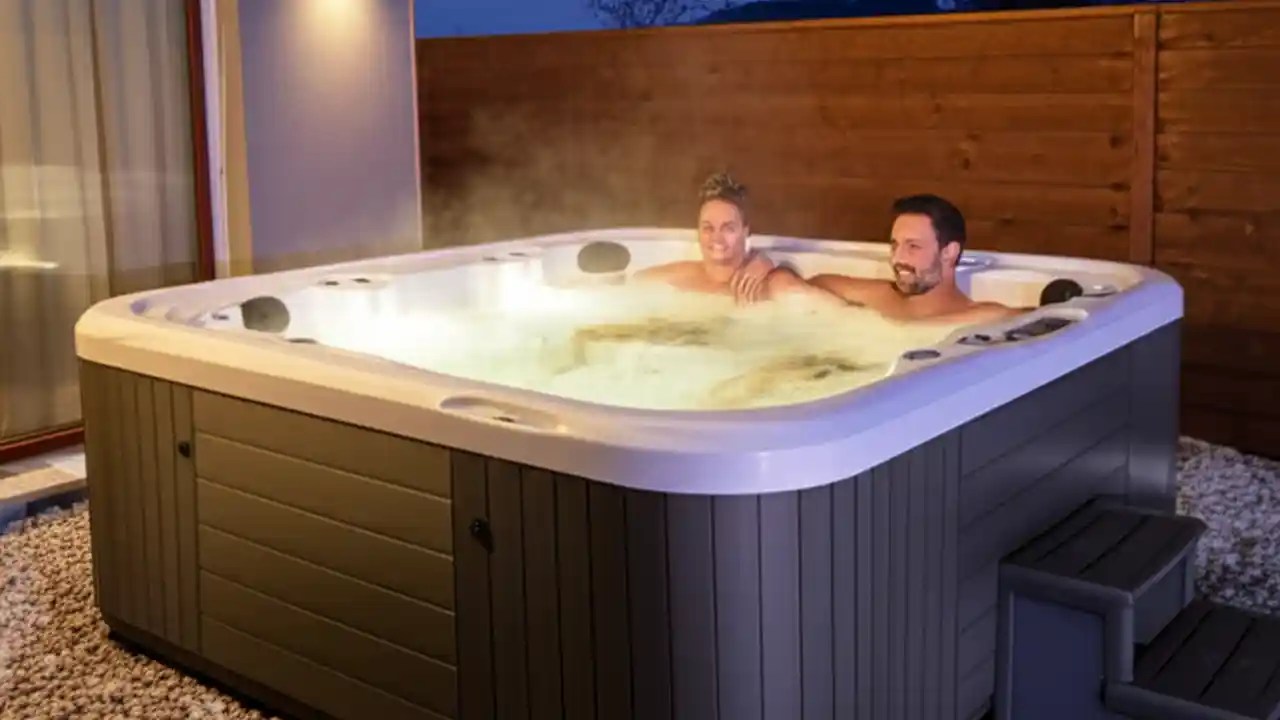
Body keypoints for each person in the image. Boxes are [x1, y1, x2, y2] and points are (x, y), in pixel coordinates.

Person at [767, 194, 1023, 323]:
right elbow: (793, 286)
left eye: (913, 247)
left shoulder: (980, 318)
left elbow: (1042, 325)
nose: (898, 258)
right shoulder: (876, 297)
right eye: (895, 245)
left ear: (949, 252)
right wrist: (774, 272)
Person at [633, 172, 792, 304]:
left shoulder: (772, 285)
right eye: (708, 228)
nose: (717, 239)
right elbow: (631, 284)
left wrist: (774, 261)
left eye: (728, 228)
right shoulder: (677, 280)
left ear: (745, 231)